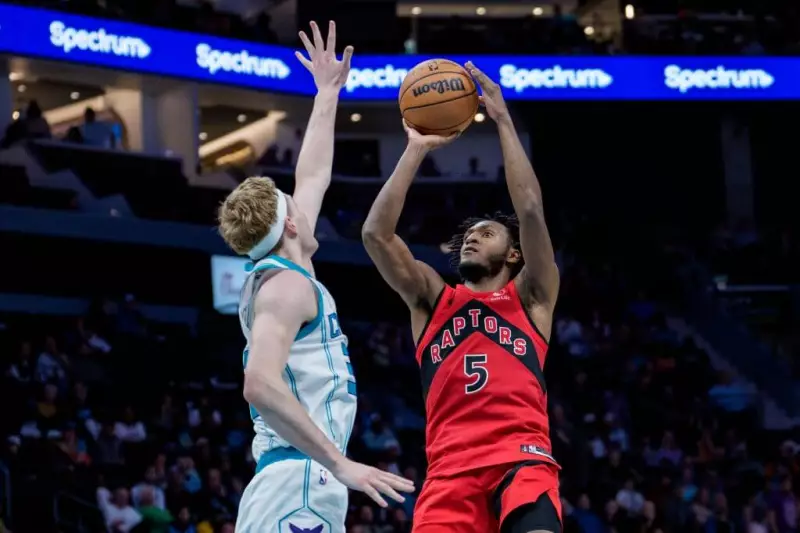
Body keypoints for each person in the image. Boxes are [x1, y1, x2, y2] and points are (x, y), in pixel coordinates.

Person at [217, 21, 414, 533]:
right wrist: (339, 462)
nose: (307, 207)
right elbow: (258, 383)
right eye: (295, 207)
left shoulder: (286, 269)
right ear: (289, 225)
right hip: (300, 478)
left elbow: (312, 175)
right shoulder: (286, 287)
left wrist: (327, 93)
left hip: (299, 478)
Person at [362, 61, 561, 533]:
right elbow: (375, 233)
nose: (472, 238)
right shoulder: (433, 300)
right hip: (449, 474)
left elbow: (529, 207)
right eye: (469, 234)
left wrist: (503, 120)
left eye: (486, 233)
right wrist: (416, 149)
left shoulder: (532, 299)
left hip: (521, 463)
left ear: (513, 253)